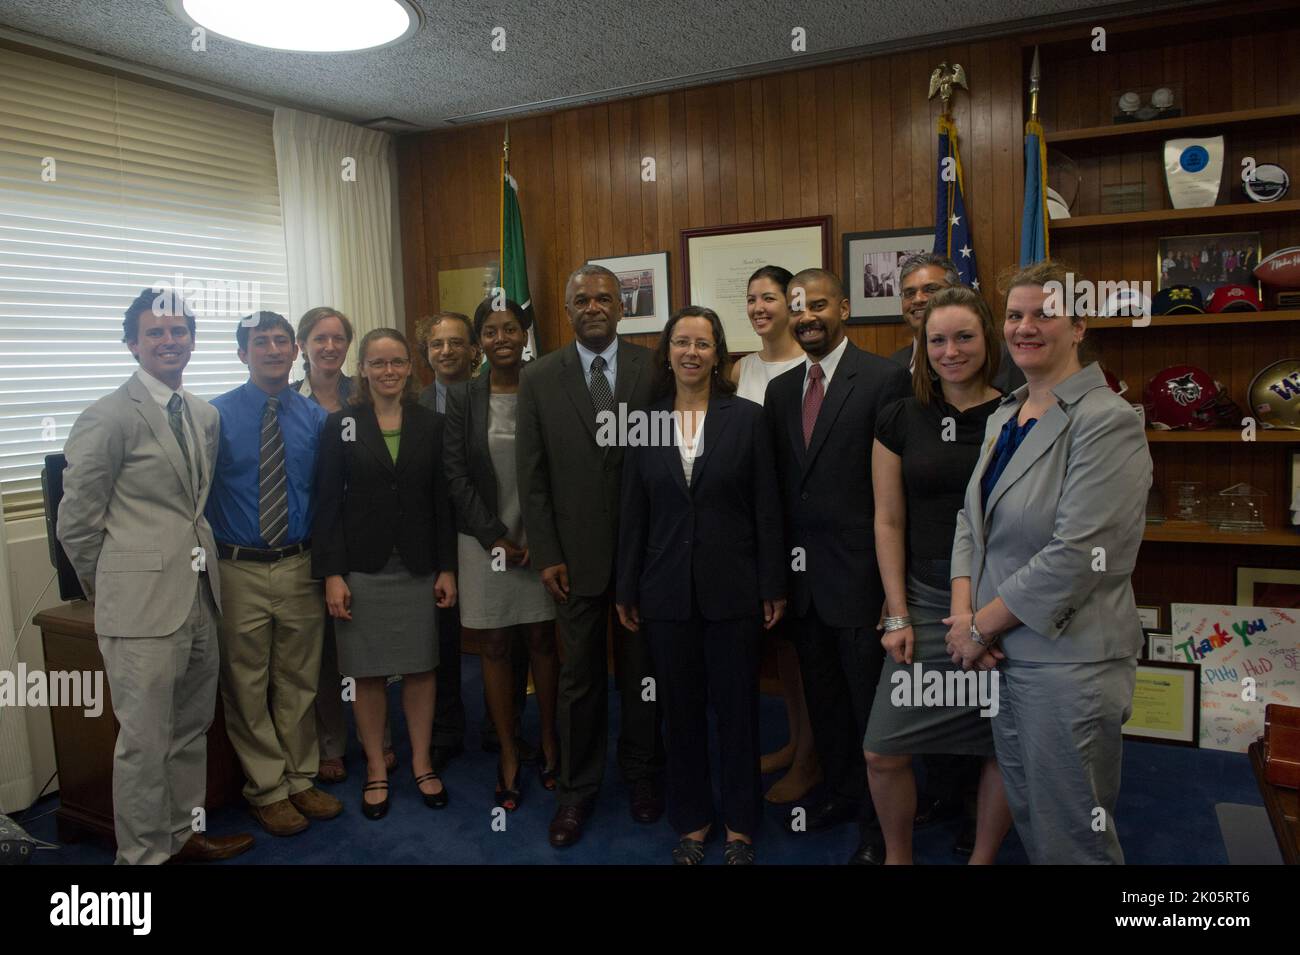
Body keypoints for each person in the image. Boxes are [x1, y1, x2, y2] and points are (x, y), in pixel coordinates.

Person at [946, 261, 1152, 864]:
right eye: (1015, 315)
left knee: (1074, 837)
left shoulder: (1106, 420)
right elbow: (970, 523)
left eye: (1045, 314)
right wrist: (966, 619)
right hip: (1008, 655)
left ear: (1079, 324)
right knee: (1035, 818)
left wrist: (980, 625)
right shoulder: (1007, 414)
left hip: (1071, 664)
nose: (1025, 327)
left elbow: (1078, 556)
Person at [57, 287, 254, 864]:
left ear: (192, 340)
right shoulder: (106, 416)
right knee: (144, 742)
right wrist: (112, 588)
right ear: (132, 344)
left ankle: (182, 834)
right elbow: (77, 523)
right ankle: (141, 858)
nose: (170, 342)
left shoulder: (203, 414)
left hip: (199, 595)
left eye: (180, 332)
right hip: (140, 605)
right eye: (156, 334)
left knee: (192, 727)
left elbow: (193, 504)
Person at [617, 306, 785, 865]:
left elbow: (767, 509)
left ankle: (741, 826)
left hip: (733, 589)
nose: (691, 352)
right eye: (681, 342)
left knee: (738, 711)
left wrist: (773, 583)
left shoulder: (747, 418)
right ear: (667, 351)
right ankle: (691, 821)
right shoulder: (645, 422)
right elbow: (632, 513)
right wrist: (626, 588)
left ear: (718, 354)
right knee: (680, 712)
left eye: (704, 343)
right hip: (664, 591)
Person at [862, 286, 1013, 865]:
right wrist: (896, 609)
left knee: (1001, 746)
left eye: (964, 337)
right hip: (924, 599)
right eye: (938, 340)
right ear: (923, 348)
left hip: (1001, 605)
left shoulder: (1018, 414)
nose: (951, 351)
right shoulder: (900, 416)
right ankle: (899, 856)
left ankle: (983, 857)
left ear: (988, 340)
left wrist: (989, 619)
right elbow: (888, 518)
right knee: (882, 750)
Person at [763, 268, 909, 866]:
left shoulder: (883, 377)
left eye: (818, 305)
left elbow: (897, 496)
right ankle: (841, 795)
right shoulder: (778, 391)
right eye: (797, 308)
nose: (807, 317)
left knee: (869, 709)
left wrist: (891, 589)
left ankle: (877, 829)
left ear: (844, 307)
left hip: (863, 582)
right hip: (803, 587)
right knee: (824, 705)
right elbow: (775, 494)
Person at [517, 263, 665, 848]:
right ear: (568, 309)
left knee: (642, 677)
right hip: (571, 561)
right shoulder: (539, 376)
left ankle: (644, 776)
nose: (594, 307)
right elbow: (531, 476)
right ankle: (576, 791)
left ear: (621, 308)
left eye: (604, 298)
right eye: (582, 300)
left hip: (643, 555)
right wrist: (547, 551)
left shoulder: (652, 367)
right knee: (578, 680)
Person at [313, 328, 458, 819]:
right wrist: (333, 574)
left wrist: (447, 568)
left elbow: (443, 504)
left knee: (421, 666)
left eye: (397, 361)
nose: (389, 371)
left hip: (418, 567)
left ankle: (420, 762)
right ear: (364, 370)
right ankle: (376, 766)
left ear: (410, 368)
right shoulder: (342, 425)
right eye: (378, 363)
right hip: (363, 568)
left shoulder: (431, 424)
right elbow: (327, 505)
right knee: (367, 672)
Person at [207, 312, 342, 835]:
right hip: (237, 568)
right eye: (259, 342)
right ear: (242, 354)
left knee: (298, 680)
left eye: (280, 341)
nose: (271, 349)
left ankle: (300, 778)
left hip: (300, 565)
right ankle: (266, 789)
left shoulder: (316, 418)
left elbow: (328, 499)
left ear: (295, 352)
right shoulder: (212, 418)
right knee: (246, 684)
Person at [443, 297, 560, 811]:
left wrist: (542, 536)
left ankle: (553, 741)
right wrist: (494, 536)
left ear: (524, 333)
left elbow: (566, 466)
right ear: (478, 343)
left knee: (542, 638)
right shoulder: (463, 398)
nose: (501, 339)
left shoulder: (548, 384)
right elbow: (455, 474)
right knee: (493, 645)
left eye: (510, 328)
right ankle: (509, 751)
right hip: (484, 540)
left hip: (541, 537)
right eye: (490, 331)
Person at [414, 311, 531, 771]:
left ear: (473, 350)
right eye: (437, 344)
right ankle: (446, 729)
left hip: (488, 532)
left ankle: (505, 729)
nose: (447, 352)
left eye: (456, 343)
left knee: (506, 632)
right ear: (426, 354)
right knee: (442, 637)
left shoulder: (500, 394)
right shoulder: (414, 403)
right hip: (439, 537)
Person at [729, 265, 820, 805]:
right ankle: (794, 741)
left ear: (792, 304)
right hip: (754, 527)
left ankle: (813, 757)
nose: (760, 307)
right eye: (752, 299)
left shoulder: (809, 366)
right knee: (784, 648)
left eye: (770, 297)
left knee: (808, 648)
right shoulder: (739, 368)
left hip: (801, 527)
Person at [290, 306, 372, 785]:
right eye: (319, 338)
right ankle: (330, 744)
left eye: (338, 338)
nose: (329, 347)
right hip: (310, 535)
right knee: (321, 654)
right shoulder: (290, 400)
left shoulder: (361, 395)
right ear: (303, 345)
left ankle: (375, 737)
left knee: (361, 644)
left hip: (362, 533)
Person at [890, 253, 1024, 396]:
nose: (918, 299)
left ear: (954, 291)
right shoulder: (894, 364)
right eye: (909, 293)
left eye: (930, 289)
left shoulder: (1006, 358)